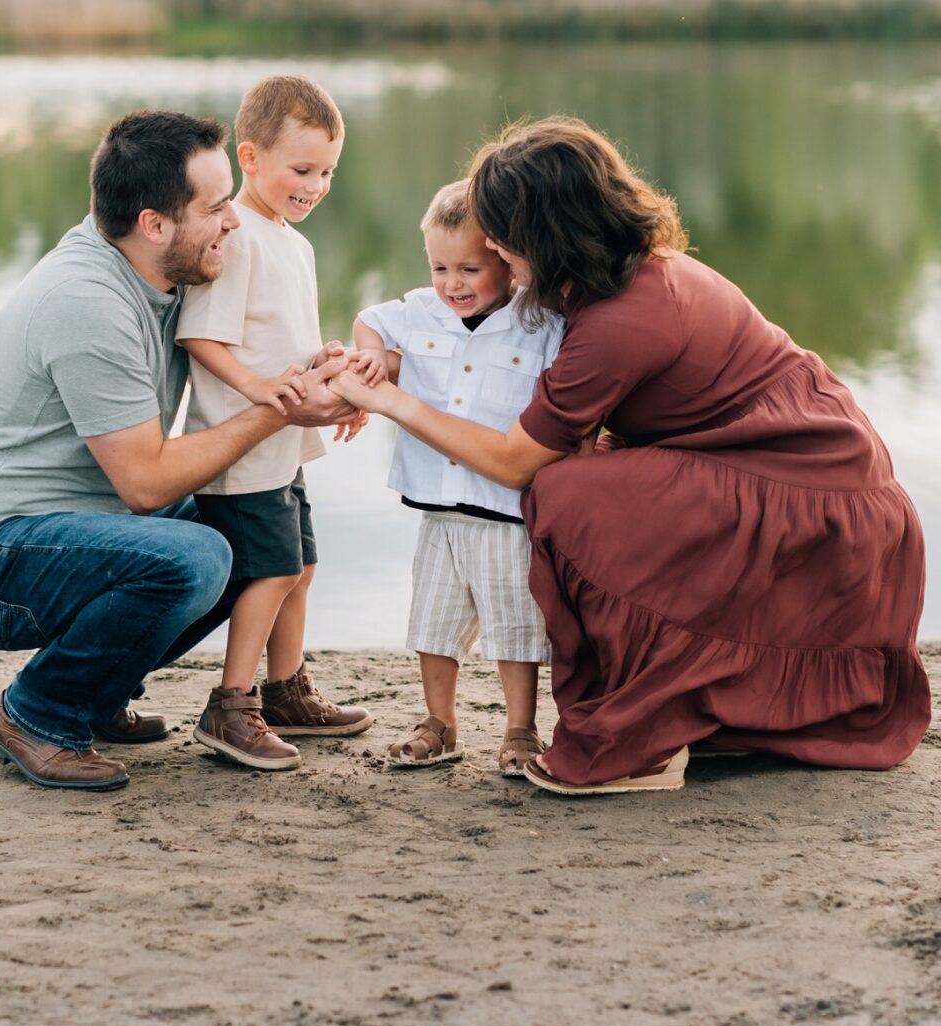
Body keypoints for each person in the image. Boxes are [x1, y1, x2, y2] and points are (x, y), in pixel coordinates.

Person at [334, 117, 931, 796]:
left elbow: (513, 463)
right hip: (787, 469)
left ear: (545, 231)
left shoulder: (621, 317)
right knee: (586, 480)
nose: (492, 244)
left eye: (501, 232)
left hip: (813, 489)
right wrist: (384, 360)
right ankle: (696, 708)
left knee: (566, 495)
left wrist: (390, 402)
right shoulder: (614, 279)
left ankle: (645, 741)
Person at [0, 109, 356, 792]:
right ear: (154, 223)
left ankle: (96, 694)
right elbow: (146, 486)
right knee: (198, 555)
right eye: (215, 208)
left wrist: (316, 374)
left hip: (73, 532)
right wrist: (280, 412)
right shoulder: (87, 302)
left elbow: (250, 348)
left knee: (244, 523)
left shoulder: (164, 269)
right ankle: (36, 712)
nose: (234, 220)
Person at [176, 76, 372, 771]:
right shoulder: (237, 235)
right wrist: (259, 389)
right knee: (270, 572)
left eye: (327, 172)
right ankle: (231, 705)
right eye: (302, 169)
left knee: (302, 566)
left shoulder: (294, 243)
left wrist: (326, 367)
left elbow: (282, 340)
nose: (315, 186)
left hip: (283, 446)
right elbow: (202, 336)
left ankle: (287, 691)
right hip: (241, 448)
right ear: (251, 159)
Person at [353, 180, 563, 776]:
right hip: (437, 506)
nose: (452, 284)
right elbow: (369, 320)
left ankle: (521, 727)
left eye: (469, 269)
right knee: (434, 622)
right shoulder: (420, 311)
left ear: (508, 260)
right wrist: (372, 357)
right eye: (440, 268)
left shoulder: (540, 322)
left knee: (514, 624)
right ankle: (439, 723)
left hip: (503, 510)